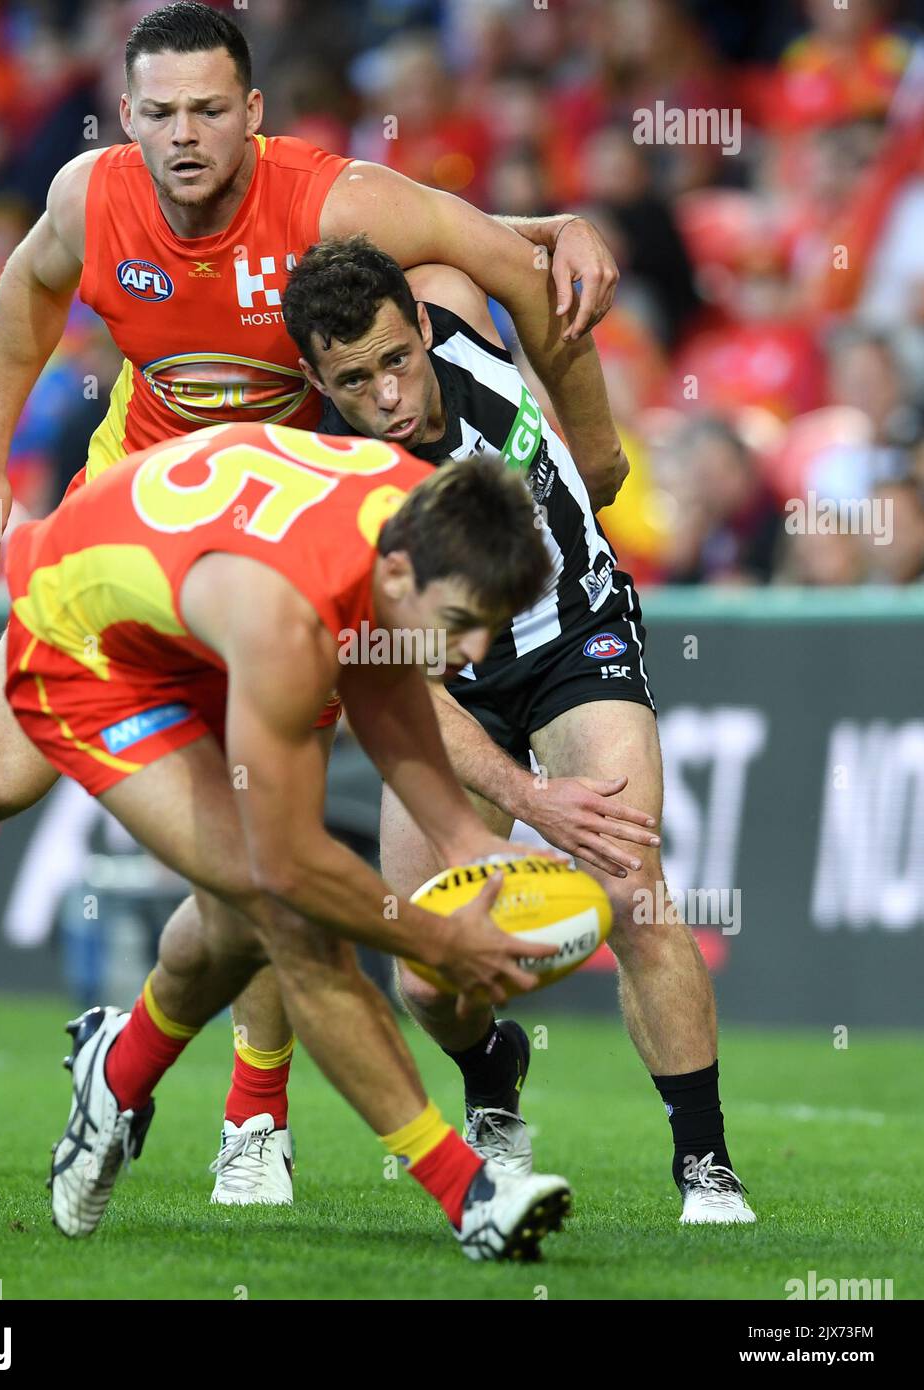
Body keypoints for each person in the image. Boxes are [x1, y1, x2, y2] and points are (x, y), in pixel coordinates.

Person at [0, 0, 622, 940]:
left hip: (279, 530)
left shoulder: (330, 204)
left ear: (253, 111)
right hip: (130, 506)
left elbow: (499, 259)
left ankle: (256, 1093)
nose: (184, 135)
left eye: (208, 110)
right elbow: (32, 283)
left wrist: (596, 449)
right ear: (127, 117)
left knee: (268, 845)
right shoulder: (88, 198)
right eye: (160, 114)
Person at [201, 235, 749, 1226]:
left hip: (574, 634)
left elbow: (522, 272)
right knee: (429, 973)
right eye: (353, 381)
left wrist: (596, 444)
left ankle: (704, 1167)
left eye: (395, 360)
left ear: (419, 323)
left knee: (632, 888)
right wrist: (530, 797)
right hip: (443, 682)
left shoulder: (457, 297)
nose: (388, 396)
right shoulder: (348, 499)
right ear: (320, 383)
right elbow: (400, 691)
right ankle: (488, 1066)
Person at [4, 418, 569, 1260]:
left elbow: (380, 671)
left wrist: (465, 841)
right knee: (284, 914)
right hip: (89, 653)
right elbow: (292, 867)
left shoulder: (407, 517)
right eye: (463, 620)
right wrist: (441, 939)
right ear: (405, 571)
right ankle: (472, 1194)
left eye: (492, 625)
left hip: (194, 612)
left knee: (238, 921)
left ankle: (115, 1074)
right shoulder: (285, 620)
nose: (478, 650)